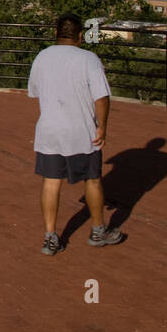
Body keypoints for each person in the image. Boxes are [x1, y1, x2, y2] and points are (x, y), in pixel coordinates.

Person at [27, 14, 124, 255]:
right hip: (82, 131)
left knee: (50, 182)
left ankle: (50, 238)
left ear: (56, 34)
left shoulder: (42, 57)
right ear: (81, 35)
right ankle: (98, 231)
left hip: (49, 130)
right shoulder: (88, 59)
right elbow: (101, 97)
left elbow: (35, 91)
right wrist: (102, 126)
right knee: (92, 179)